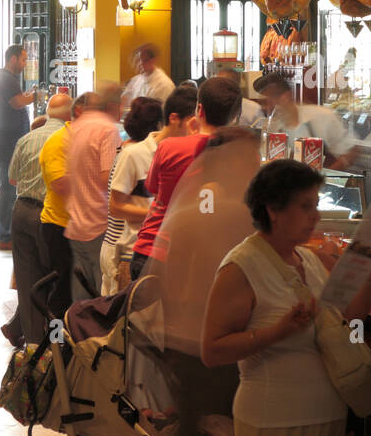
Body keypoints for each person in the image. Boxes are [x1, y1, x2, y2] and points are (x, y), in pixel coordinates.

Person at [202, 159, 371, 436]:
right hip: (275, 418)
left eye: (315, 205)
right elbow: (212, 350)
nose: (315, 215)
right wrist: (278, 331)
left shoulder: (306, 260)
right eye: (306, 206)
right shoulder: (241, 266)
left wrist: (370, 270)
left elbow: (348, 317)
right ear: (273, 210)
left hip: (325, 414)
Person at [153, 124, 261, 436]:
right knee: (244, 429)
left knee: (194, 433)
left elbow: (164, 271)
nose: (257, 164)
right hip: (216, 341)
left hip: (186, 339)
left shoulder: (201, 199)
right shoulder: (228, 208)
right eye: (251, 157)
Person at [130, 76, 242, 279]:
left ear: (199, 110)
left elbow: (154, 188)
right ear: (236, 117)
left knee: (144, 312)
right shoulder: (238, 158)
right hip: (202, 259)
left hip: (152, 249)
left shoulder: (169, 146)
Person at [1, 93, 71, 346]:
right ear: (70, 115)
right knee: (55, 282)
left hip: (21, 211)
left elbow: (11, 180)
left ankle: (32, 346)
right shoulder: (68, 140)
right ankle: (54, 345)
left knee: (28, 280)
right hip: (50, 215)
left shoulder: (26, 139)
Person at [99, 96, 165, 295]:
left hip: (116, 244)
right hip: (121, 248)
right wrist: (160, 214)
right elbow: (116, 207)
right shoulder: (132, 154)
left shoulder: (126, 150)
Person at [65, 84, 123, 301]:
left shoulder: (78, 125)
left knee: (80, 288)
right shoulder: (107, 129)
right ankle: (98, 335)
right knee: (102, 292)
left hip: (77, 218)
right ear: (114, 105)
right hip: (99, 220)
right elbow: (107, 177)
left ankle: (77, 333)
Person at [39, 94, 89, 321]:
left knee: (81, 291)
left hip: (84, 228)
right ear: (79, 113)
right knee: (62, 291)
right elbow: (60, 183)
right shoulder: (58, 141)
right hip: (59, 226)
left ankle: (75, 347)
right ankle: (57, 347)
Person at [254, 72, 355, 169]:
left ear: (285, 97)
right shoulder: (272, 127)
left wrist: (323, 181)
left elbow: (350, 152)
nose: (264, 107)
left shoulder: (321, 116)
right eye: (263, 103)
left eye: (267, 102)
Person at [0, 44, 34, 250]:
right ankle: (5, 235)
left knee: (4, 187)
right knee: (7, 187)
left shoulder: (7, 80)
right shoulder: (6, 80)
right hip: (5, 141)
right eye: (23, 59)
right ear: (13, 59)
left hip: (4, 139)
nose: (25, 64)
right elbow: (17, 103)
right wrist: (34, 97)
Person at [122, 43, 175, 109]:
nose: (138, 64)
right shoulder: (136, 80)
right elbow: (125, 102)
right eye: (136, 61)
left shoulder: (164, 85)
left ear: (152, 60)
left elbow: (160, 112)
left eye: (142, 60)